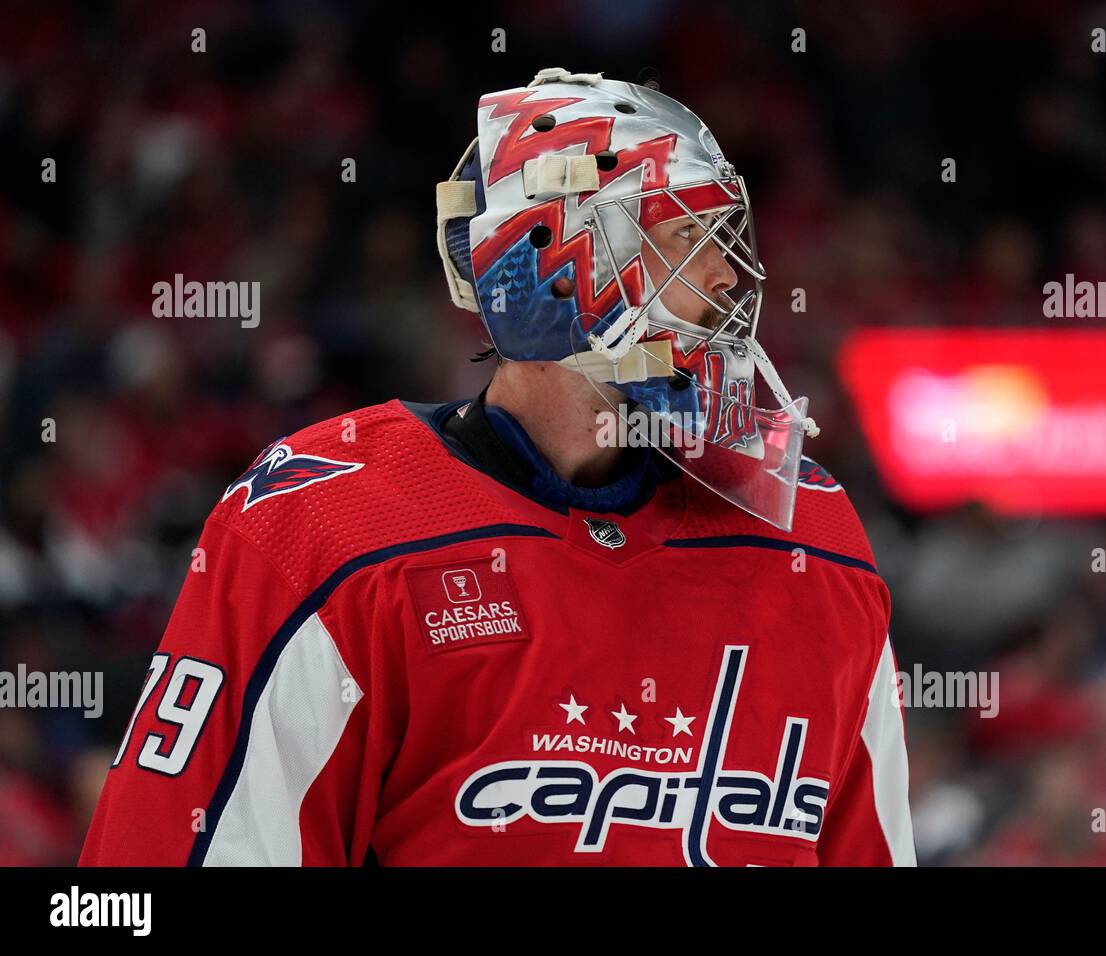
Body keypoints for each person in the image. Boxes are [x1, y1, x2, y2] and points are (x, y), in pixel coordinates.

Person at [79, 67, 915, 866]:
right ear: (563, 265)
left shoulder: (818, 547)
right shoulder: (324, 527)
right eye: (686, 240)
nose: (727, 276)